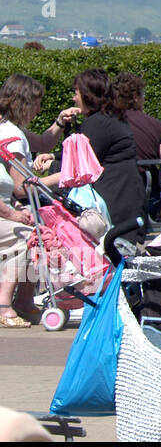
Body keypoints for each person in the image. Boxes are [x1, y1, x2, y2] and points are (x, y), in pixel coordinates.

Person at [0, 75, 72, 328]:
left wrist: (59, 123)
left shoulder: (8, 128)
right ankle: (6, 304)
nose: (39, 109)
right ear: (24, 103)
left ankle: (25, 300)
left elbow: (42, 142)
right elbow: (21, 188)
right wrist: (61, 177)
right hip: (5, 212)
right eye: (37, 103)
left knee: (37, 230)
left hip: (5, 208)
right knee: (30, 236)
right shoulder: (11, 135)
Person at [72, 69, 146, 235]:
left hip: (114, 202)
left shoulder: (97, 123)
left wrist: (39, 181)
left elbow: (80, 167)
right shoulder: (110, 118)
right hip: (127, 198)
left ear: (87, 95)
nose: (74, 98)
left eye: (76, 93)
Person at [113, 72, 161, 222]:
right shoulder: (156, 126)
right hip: (149, 202)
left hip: (113, 200)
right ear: (136, 97)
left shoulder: (108, 122)